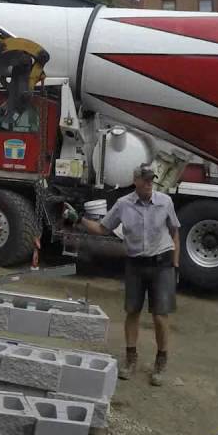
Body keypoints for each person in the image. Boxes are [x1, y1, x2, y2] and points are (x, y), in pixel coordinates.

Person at [65, 164, 180, 386]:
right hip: (135, 264)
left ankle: (161, 360)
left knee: (160, 315)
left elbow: (175, 232)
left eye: (151, 179)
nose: (149, 183)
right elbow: (103, 229)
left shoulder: (165, 202)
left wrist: (176, 265)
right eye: (145, 179)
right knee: (132, 312)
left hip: (162, 264)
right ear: (135, 180)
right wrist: (78, 219)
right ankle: (130, 359)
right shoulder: (123, 205)